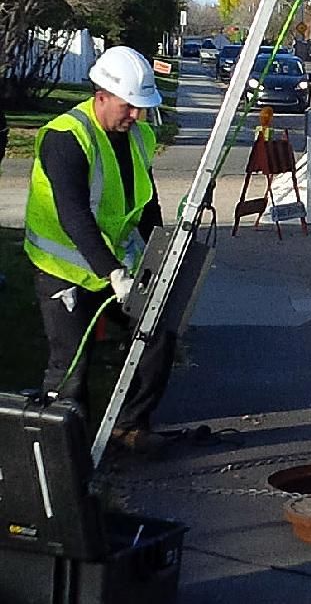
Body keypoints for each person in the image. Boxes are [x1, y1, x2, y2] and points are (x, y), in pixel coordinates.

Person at [23, 45, 174, 454]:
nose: (136, 116)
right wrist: (114, 273)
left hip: (114, 266)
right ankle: (64, 459)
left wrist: (162, 253)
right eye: (129, 107)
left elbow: (146, 203)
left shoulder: (140, 135)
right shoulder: (65, 138)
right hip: (64, 270)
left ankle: (130, 427)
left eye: (142, 108)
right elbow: (74, 216)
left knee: (158, 333)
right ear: (101, 95)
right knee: (71, 367)